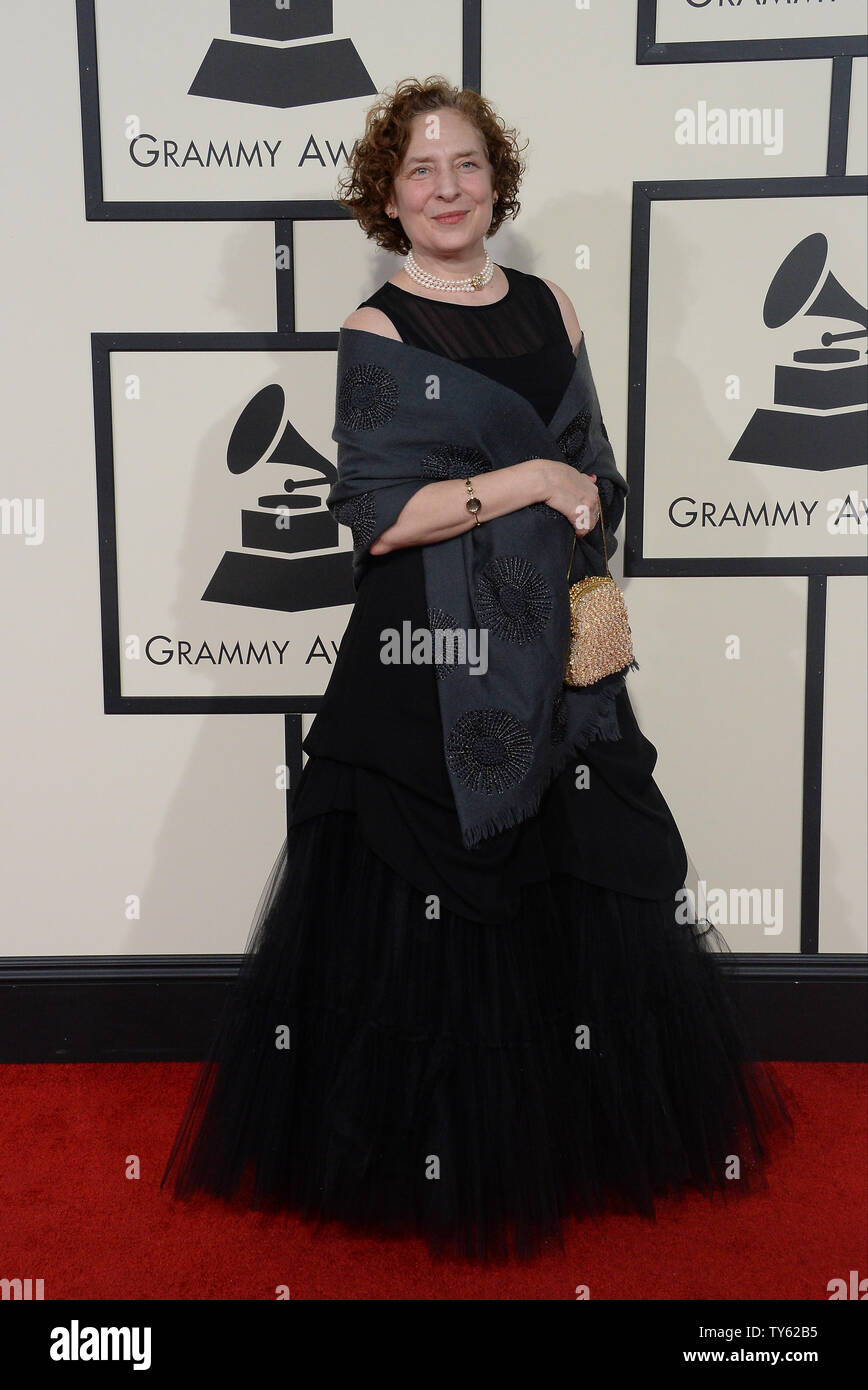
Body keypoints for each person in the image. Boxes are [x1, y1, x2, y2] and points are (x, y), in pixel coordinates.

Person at [161, 76, 793, 1264]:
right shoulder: (378, 330)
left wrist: (585, 489)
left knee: (575, 877)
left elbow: (594, 460)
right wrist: (530, 485)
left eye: (465, 166)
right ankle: (416, 1154)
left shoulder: (550, 301)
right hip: (429, 660)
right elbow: (379, 512)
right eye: (420, 171)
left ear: (495, 180)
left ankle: (564, 1137)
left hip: (548, 648)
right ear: (386, 198)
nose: (446, 189)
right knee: (429, 900)